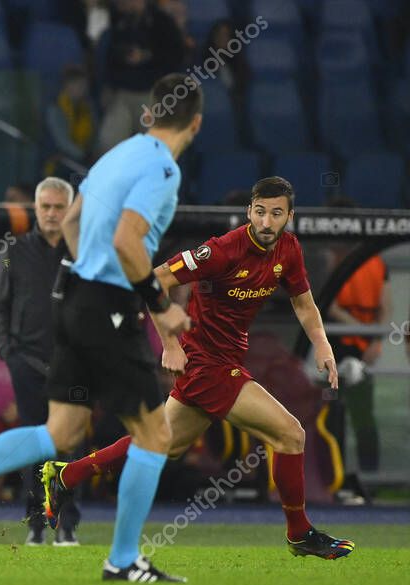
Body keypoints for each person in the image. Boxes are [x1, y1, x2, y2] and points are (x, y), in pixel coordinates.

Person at [0, 73, 199, 583]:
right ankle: (124, 559)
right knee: (155, 434)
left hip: (72, 296)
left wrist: (80, 274)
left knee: (61, 430)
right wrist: (163, 308)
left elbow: (73, 222)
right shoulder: (162, 170)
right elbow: (130, 243)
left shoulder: (119, 153)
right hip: (107, 306)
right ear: (195, 124)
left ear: (149, 115)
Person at [43, 177, 355, 561]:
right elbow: (155, 278)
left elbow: (305, 306)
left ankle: (65, 476)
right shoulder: (222, 251)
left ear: (289, 216)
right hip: (205, 364)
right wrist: (170, 344)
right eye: (260, 212)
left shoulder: (289, 250)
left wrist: (322, 345)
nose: (267, 222)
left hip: (225, 361)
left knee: (162, 444)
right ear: (249, 212)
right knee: (291, 435)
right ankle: (300, 532)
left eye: (276, 214)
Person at [0, 177, 82, 546]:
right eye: (46, 206)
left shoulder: (84, 253)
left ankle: (67, 525)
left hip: (73, 362)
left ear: (71, 210)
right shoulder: (12, 251)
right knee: (35, 445)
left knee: (68, 447)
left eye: (59, 207)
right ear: (36, 208)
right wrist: (7, 353)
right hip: (26, 362)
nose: (52, 214)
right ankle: (35, 525)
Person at [94, 0, 185, 156]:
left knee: (153, 150)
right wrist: (108, 84)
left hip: (151, 95)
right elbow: (108, 57)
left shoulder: (162, 22)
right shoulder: (119, 21)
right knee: (108, 143)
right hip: (122, 93)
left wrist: (147, 56)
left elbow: (176, 56)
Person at [329, 255, 390, 476]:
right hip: (346, 348)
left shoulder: (335, 260)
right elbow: (386, 307)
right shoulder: (377, 262)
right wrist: (372, 338)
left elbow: (329, 306)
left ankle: (362, 476)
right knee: (351, 413)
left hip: (348, 347)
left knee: (345, 413)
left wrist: (373, 339)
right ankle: (351, 474)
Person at [45, 65, 95, 165]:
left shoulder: (86, 107)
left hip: (82, 159)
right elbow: (62, 142)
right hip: (59, 161)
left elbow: (93, 135)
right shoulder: (55, 109)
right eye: (79, 85)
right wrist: (84, 155)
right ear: (68, 86)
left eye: (84, 85)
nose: (83, 89)